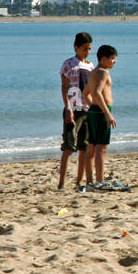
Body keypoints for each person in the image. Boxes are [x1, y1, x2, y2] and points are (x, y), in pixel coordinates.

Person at [58, 32, 94, 190]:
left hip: (87, 109)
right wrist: (68, 108)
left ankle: (79, 181)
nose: (87, 52)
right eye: (84, 48)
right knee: (68, 146)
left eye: (89, 49)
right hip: (73, 108)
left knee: (84, 148)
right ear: (76, 47)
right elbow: (64, 87)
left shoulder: (90, 66)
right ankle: (61, 183)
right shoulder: (69, 64)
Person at [81, 44, 118, 188]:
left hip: (94, 111)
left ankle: (90, 181)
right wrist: (107, 113)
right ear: (103, 59)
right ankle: (100, 180)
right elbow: (96, 92)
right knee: (101, 148)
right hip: (102, 111)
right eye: (112, 58)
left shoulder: (93, 72)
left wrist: (93, 107)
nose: (114, 61)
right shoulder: (103, 72)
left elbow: (85, 94)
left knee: (91, 147)